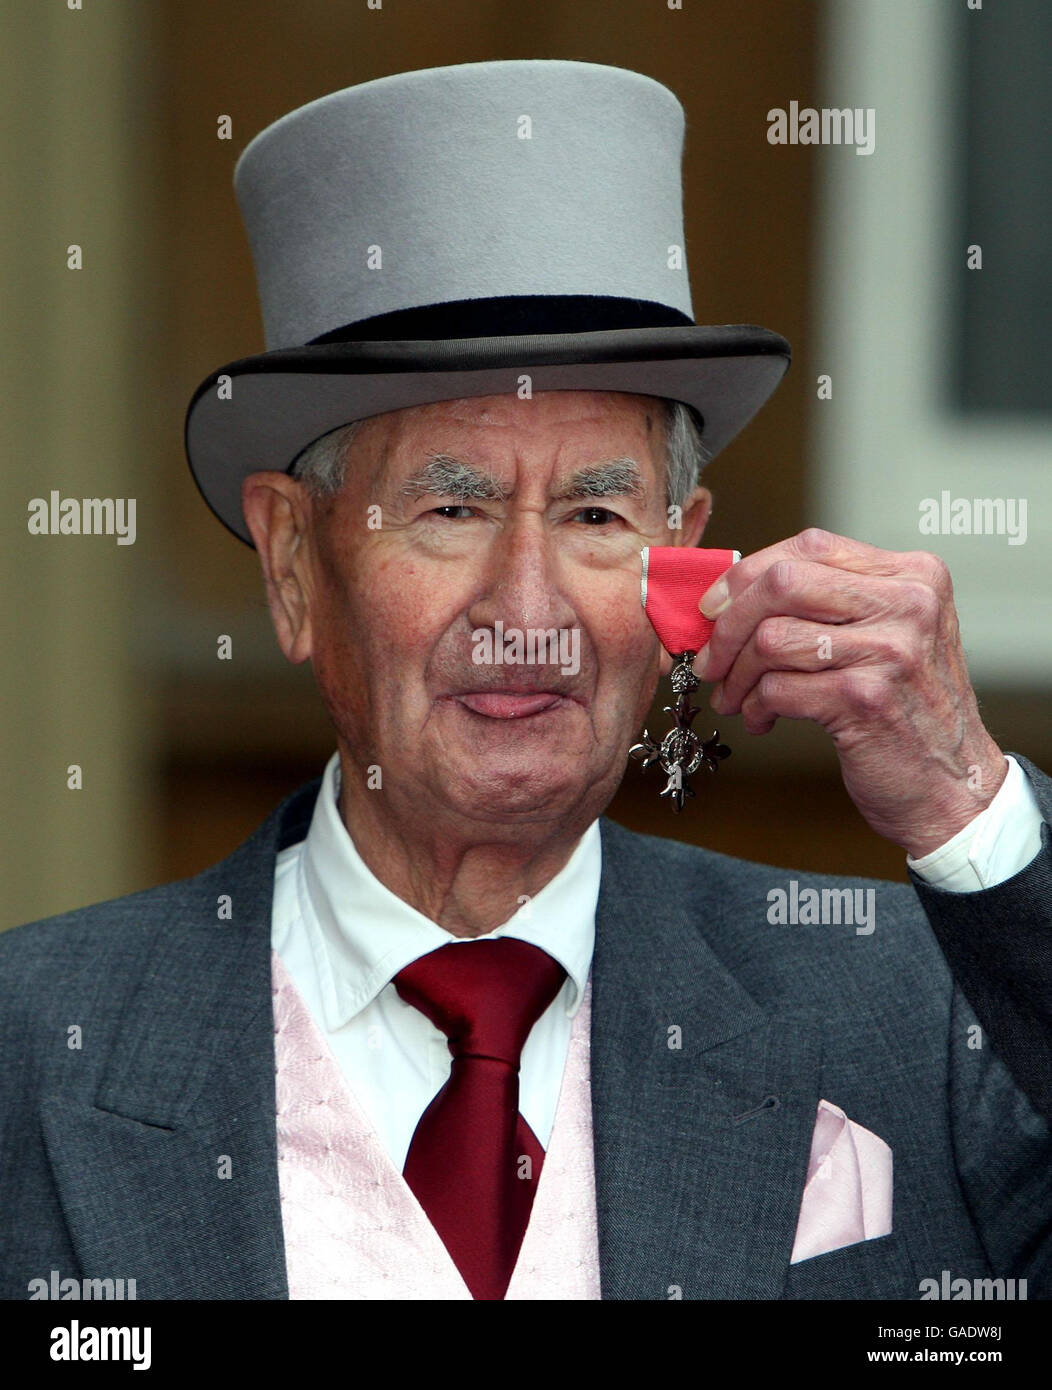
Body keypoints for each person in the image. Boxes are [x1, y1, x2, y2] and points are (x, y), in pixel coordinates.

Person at [2, 60, 1049, 1302]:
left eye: (598, 513)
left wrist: (962, 806)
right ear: (293, 563)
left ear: (683, 551)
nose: (528, 607)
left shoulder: (910, 1010)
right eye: (451, 505)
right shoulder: (36, 1042)